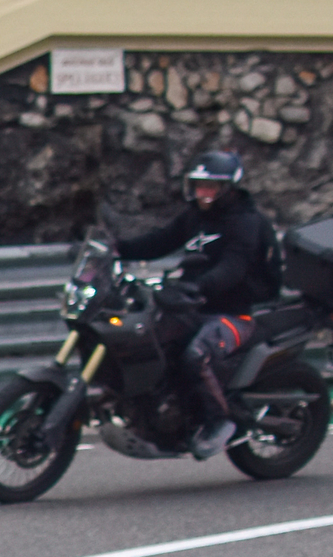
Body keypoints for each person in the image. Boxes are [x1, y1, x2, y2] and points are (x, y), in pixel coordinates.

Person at [114, 150, 281, 460]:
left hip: (234, 314)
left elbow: (234, 266)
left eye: (210, 187)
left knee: (196, 355)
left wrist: (198, 286)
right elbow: (161, 240)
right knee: (153, 341)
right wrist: (117, 248)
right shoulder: (194, 217)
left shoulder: (246, 221)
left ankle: (219, 421)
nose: (203, 193)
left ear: (228, 188)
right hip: (193, 307)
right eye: (199, 185)